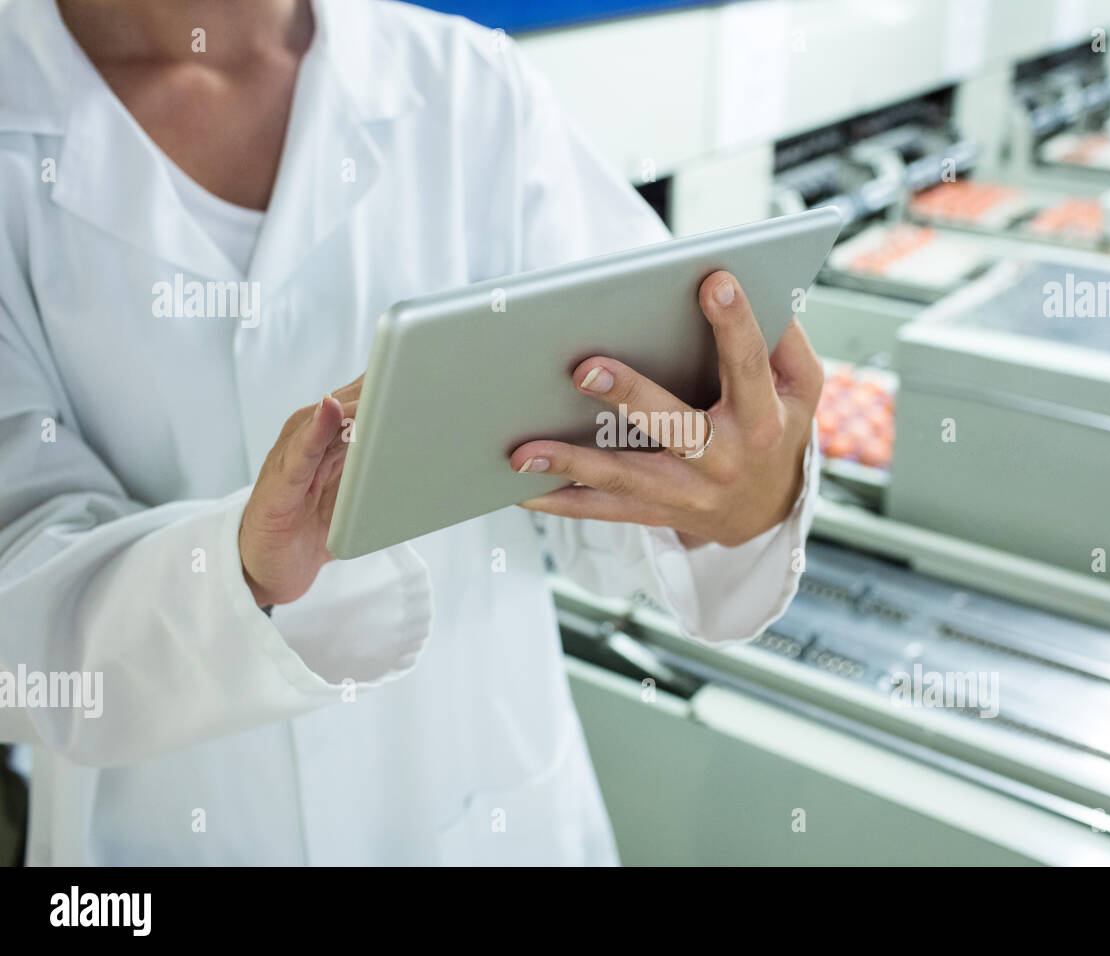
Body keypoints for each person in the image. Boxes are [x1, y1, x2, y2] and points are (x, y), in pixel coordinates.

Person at [0, 0, 822, 864]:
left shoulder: (467, 87)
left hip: (484, 816)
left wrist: (738, 499)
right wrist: (233, 572)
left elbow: (634, 448)